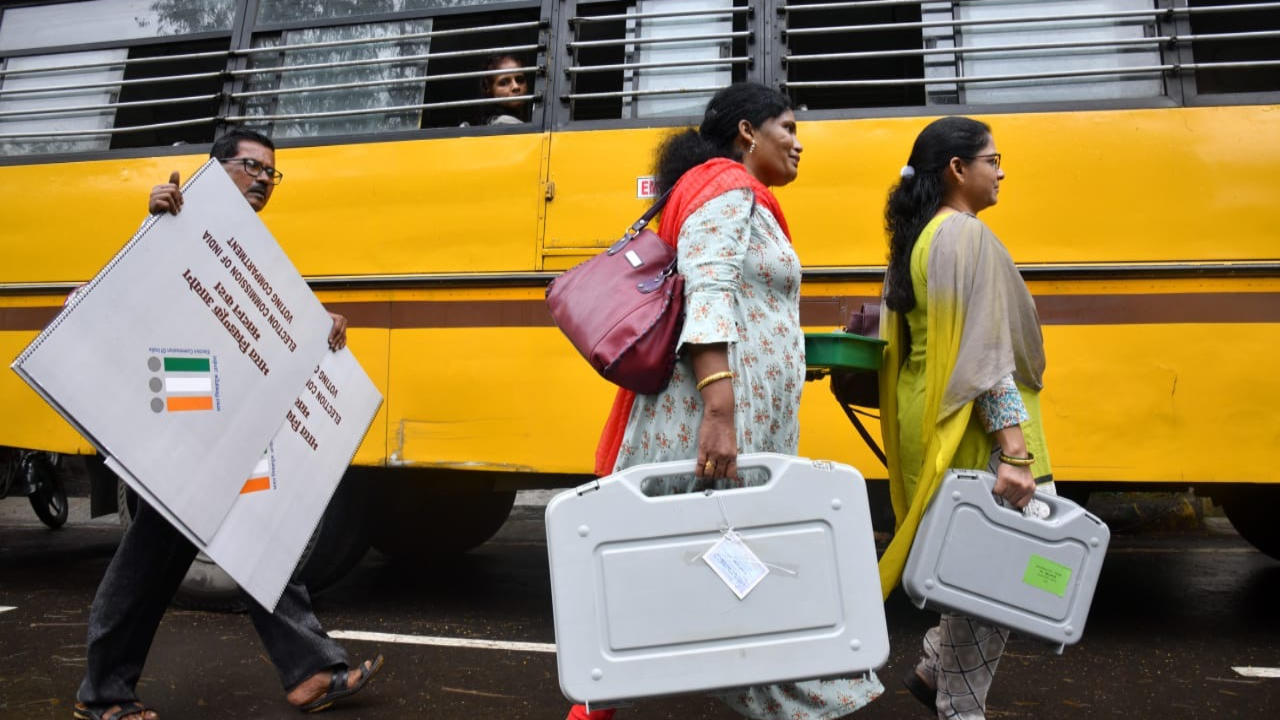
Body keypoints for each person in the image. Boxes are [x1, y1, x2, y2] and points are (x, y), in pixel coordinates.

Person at [567, 82, 883, 720]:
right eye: (788, 128)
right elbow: (707, 291)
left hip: (735, 420)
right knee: (699, 563)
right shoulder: (725, 189)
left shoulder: (735, 195)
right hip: (707, 422)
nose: (797, 143)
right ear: (747, 132)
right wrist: (720, 412)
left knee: (683, 566)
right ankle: (786, 688)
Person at [73, 128, 383, 720]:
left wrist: (319, 326)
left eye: (271, 172)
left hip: (220, 426)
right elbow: (130, 291)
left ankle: (309, 670)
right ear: (216, 169)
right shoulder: (176, 218)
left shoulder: (250, 249)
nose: (264, 179)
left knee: (255, 540)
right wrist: (153, 221)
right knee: (149, 564)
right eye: (251, 166)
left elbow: (262, 332)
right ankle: (103, 693)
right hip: (171, 421)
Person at [874, 116, 1053, 720]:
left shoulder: (920, 236)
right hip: (972, 425)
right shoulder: (966, 235)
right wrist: (1015, 452)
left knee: (971, 559)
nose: (1001, 173)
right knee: (999, 570)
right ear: (957, 168)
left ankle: (935, 667)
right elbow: (985, 359)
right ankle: (960, 706)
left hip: (929, 413)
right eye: (992, 161)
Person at [478, 53, 529, 125]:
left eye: (520, 80)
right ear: (489, 90)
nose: (516, 86)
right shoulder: (502, 123)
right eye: (504, 83)